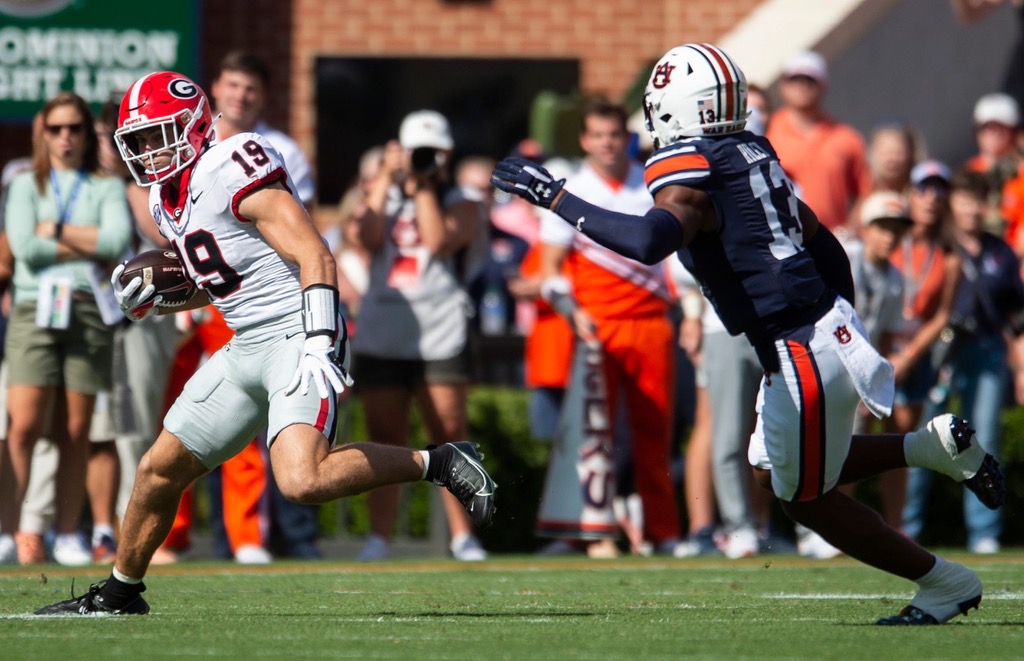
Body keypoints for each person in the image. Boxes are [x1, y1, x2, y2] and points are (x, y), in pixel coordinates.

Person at [492, 42, 1004, 625]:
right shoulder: (751, 151)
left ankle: (944, 582)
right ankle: (930, 446)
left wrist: (555, 197)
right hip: (820, 330)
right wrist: (843, 321)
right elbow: (823, 241)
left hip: (799, 344)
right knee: (775, 465)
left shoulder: (689, 168)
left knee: (806, 499)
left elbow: (648, 242)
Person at [33, 71, 495, 615]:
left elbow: (315, 255)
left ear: (196, 127)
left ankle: (439, 461)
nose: (148, 151)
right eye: (138, 140)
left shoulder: (233, 164)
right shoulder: (165, 199)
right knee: (159, 469)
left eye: (160, 135)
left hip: (300, 329)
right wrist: (160, 299)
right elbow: (220, 281)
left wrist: (322, 338)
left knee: (303, 479)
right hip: (245, 339)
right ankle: (119, 592)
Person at [534, 97, 682, 555]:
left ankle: (664, 533)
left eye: (614, 135)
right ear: (584, 140)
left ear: (627, 137)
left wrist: (691, 312)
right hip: (596, 328)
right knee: (592, 436)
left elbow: (675, 259)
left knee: (655, 432)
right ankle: (589, 533)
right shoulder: (571, 189)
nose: (606, 144)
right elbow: (550, 270)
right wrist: (569, 309)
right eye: (597, 135)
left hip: (650, 322)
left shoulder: (651, 184)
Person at [343, 109, 490, 563]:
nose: (426, 159)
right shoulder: (377, 193)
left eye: (433, 152)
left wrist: (423, 184)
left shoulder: (462, 199)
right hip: (384, 331)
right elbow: (363, 239)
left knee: (449, 434)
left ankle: (464, 536)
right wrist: (385, 178)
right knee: (385, 439)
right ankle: (379, 538)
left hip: (440, 331)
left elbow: (437, 240)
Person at [0, 92, 132, 567]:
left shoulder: (106, 185)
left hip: (87, 309)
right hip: (35, 307)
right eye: (56, 128)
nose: (66, 137)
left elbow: (117, 241)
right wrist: (84, 241)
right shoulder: (22, 183)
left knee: (76, 429)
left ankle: (68, 532)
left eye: (74, 127)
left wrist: (53, 229)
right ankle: (11, 531)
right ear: (43, 133)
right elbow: (23, 249)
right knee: (23, 427)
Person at [903, 169, 1024, 554]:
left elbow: (1017, 312)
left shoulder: (999, 251)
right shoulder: (940, 246)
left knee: (984, 435)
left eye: (979, 200)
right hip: (940, 349)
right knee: (923, 436)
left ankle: (983, 530)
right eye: (964, 199)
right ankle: (906, 527)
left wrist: (1020, 361)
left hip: (985, 348)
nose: (972, 208)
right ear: (952, 206)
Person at [766, 50, 871, 239]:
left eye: (810, 80)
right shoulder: (766, 133)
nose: (802, 86)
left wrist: (851, 227)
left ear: (823, 85)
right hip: (781, 240)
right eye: (795, 79)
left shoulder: (847, 138)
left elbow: (865, 192)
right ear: (782, 85)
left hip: (832, 243)